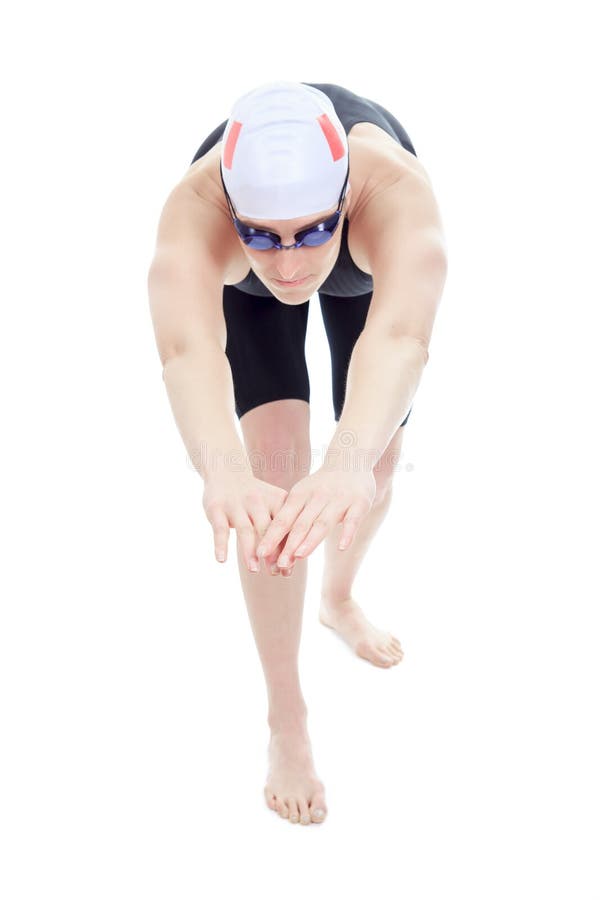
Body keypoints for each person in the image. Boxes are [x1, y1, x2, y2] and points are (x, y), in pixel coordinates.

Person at [147, 81, 447, 826]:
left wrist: (348, 459)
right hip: (242, 268)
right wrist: (222, 472)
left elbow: (402, 340)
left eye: (310, 231)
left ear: (344, 201)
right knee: (268, 484)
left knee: (372, 465)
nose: (287, 266)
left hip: (366, 261)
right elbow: (188, 352)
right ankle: (287, 715)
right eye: (265, 237)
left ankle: (337, 599)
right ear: (232, 211)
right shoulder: (197, 215)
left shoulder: (398, 199)